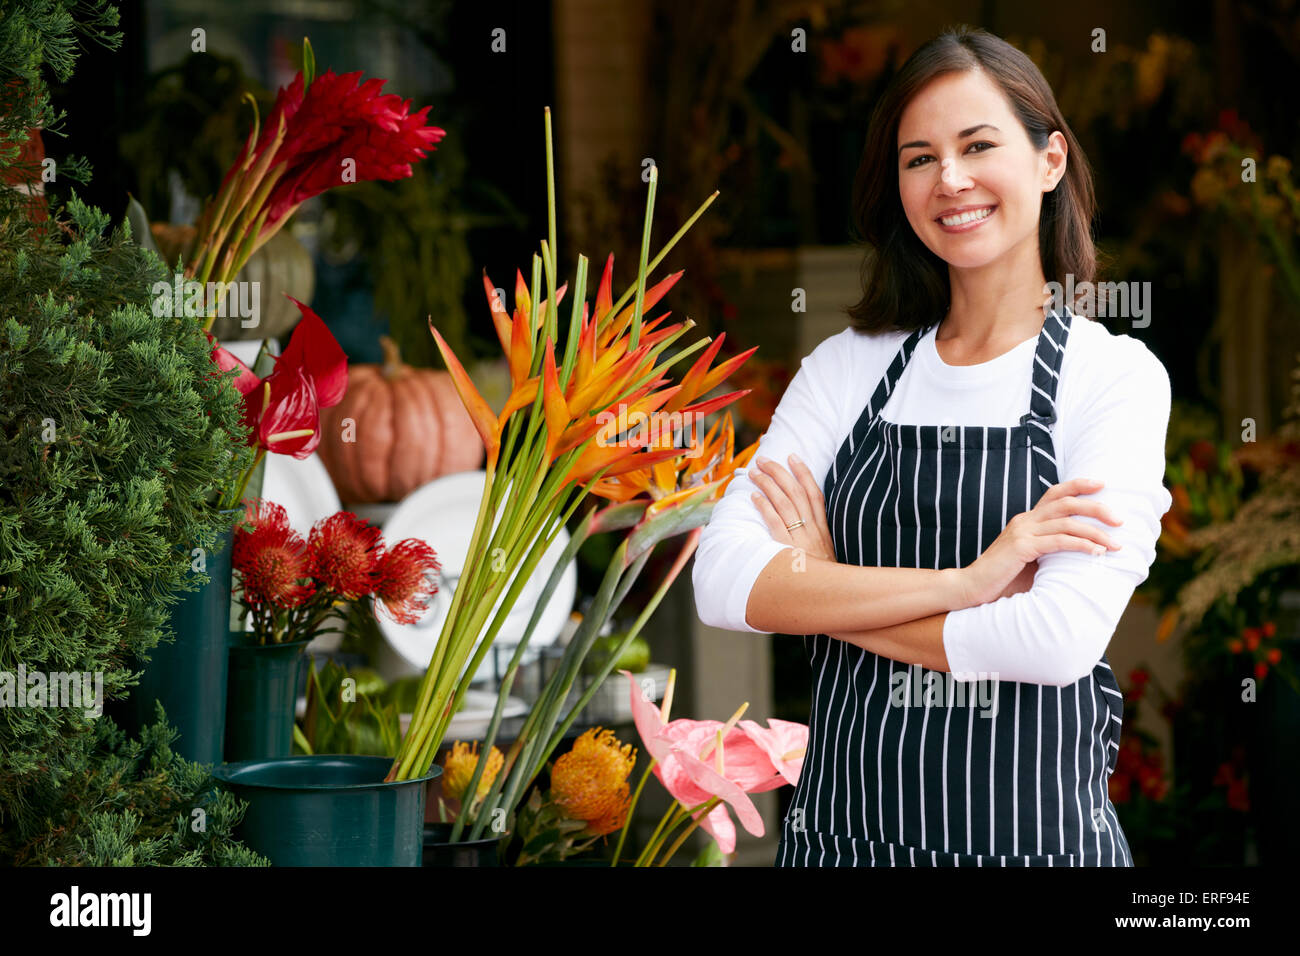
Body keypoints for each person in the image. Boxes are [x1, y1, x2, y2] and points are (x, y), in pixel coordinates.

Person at [691, 25, 1173, 867]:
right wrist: (973, 583)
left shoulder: (1112, 378)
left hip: (1032, 848)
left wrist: (824, 593)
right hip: (844, 844)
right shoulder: (846, 370)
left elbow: (1055, 640)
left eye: (977, 145)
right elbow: (724, 581)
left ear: (1050, 161)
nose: (950, 179)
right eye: (919, 158)